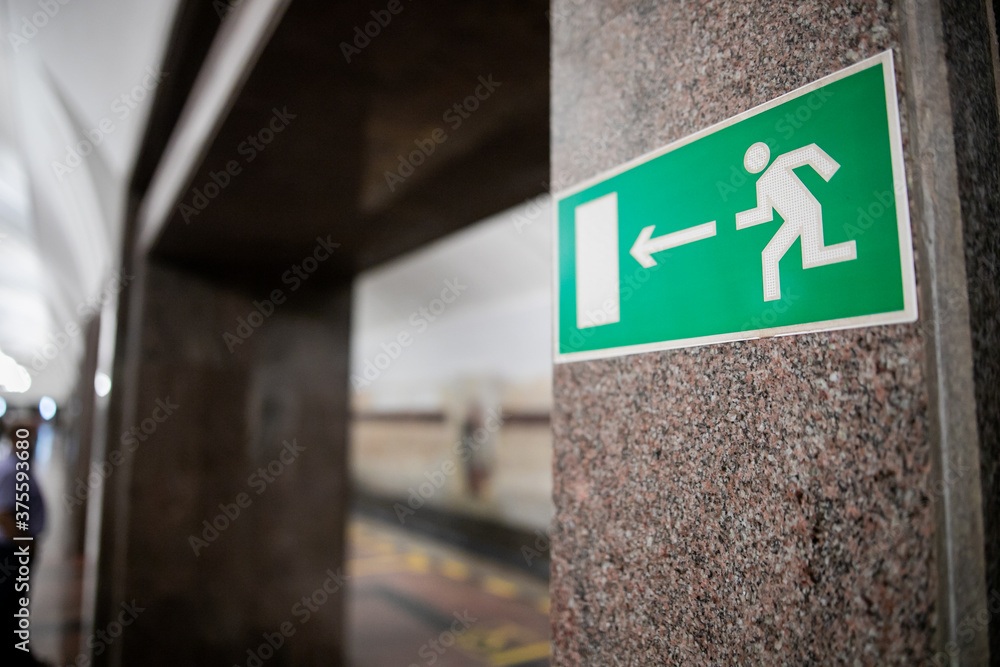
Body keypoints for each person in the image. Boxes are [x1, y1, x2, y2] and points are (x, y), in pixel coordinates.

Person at [736, 141, 857, 302]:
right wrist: (740, 219)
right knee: (771, 255)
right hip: (793, 220)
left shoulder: (780, 162)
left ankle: (845, 254)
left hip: (808, 210)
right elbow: (764, 213)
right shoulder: (761, 183)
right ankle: (772, 293)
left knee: (802, 252)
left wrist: (827, 168)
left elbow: (809, 154)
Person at [0, 413, 48, 666]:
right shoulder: (12, 471)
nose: (31, 441)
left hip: (15, 547)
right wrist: (26, 545)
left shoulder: (20, 467)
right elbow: (6, 514)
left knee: (16, 605)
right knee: (10, 606)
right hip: (11, 550)